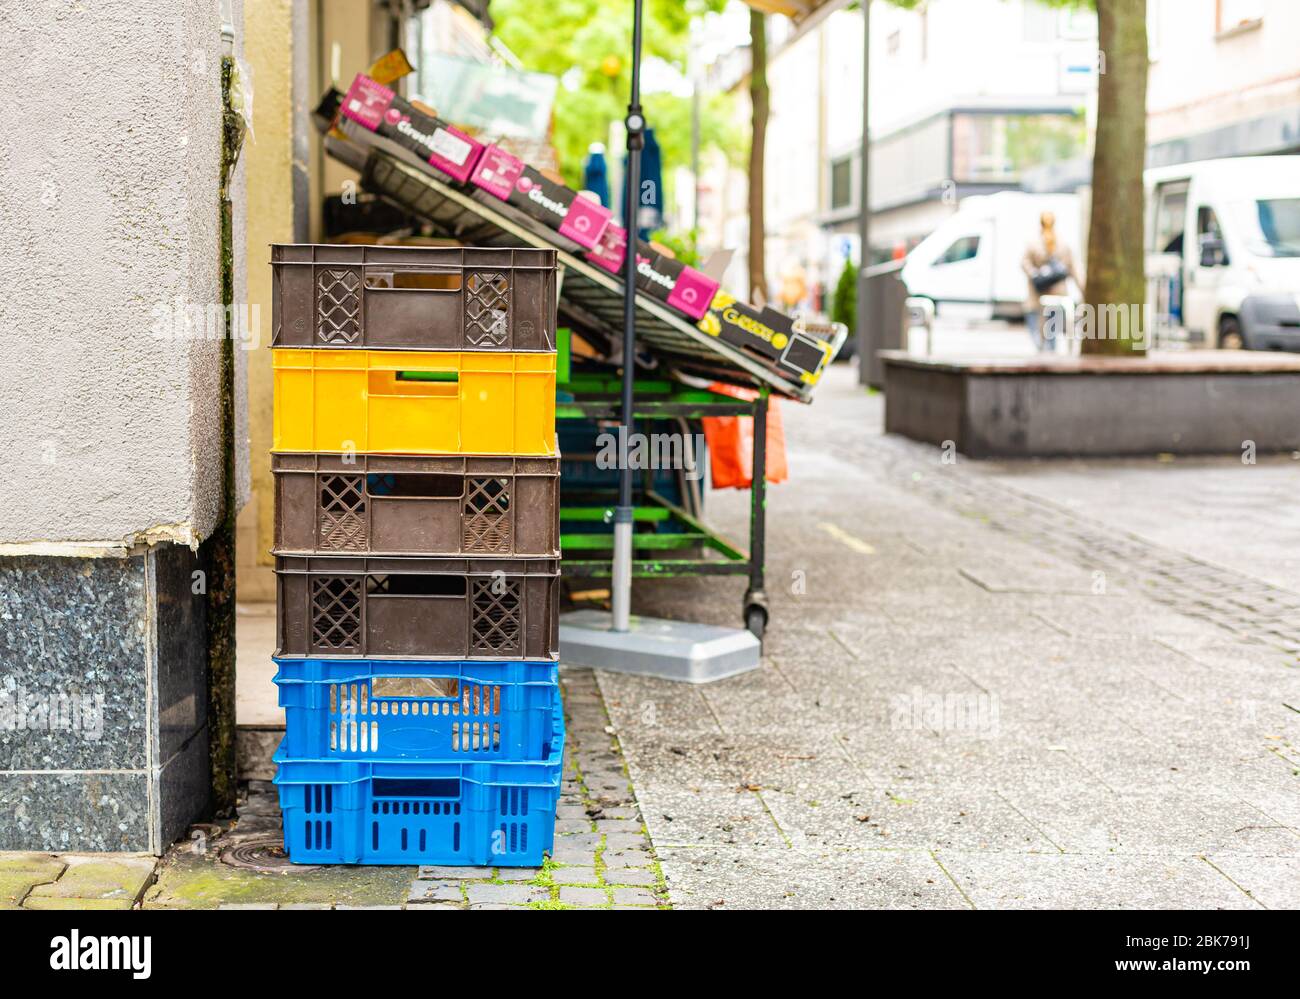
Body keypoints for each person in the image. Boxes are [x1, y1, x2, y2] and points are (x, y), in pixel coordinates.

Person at [1022, 211, 1081, 352]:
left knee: (1050, 325)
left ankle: (1048, 349)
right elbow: (1025, 262)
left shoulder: (1061, 244)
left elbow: (1072, 267)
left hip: (1055, 294)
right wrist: (1034, 273)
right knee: (1039, 323)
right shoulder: (1034, 244)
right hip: (1039, 293)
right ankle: (1044, 347)